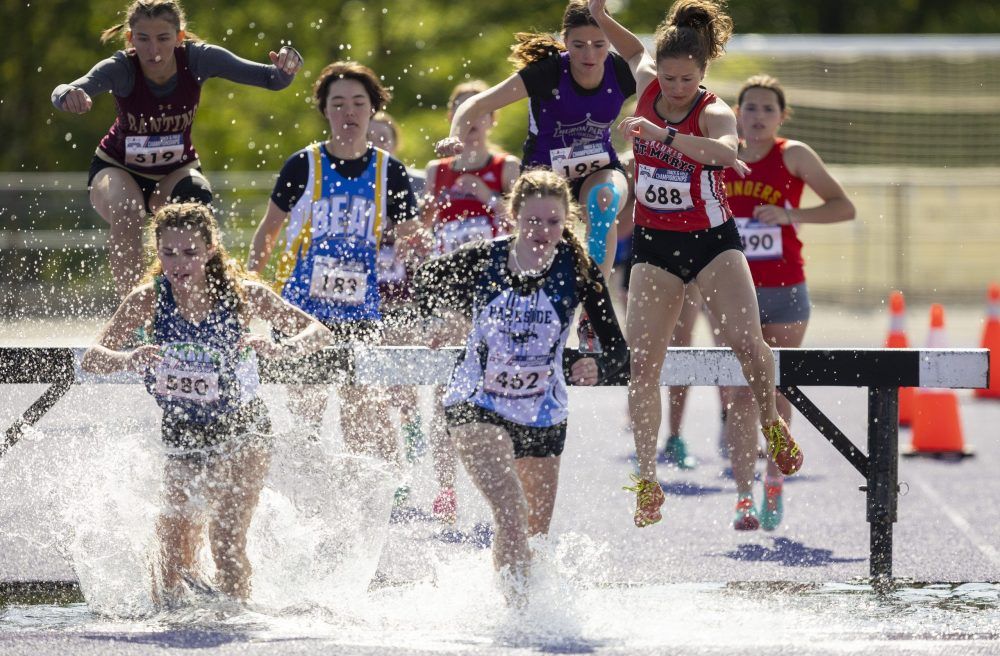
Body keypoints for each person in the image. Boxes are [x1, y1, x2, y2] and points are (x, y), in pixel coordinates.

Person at [589, 0, 804, 529]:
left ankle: (772, 427)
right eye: (668, 77)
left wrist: (660, 135)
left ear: (703, 73)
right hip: (655, 245)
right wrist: (599, 15)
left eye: (687, 78)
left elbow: (725, 152)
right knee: (644, 365)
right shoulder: (649, 82)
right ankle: (646, 480)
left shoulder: (713, 109)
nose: (676, 87)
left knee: (747, 343)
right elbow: (632, 47)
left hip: (712, 242)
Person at [81, 202, 331, 604]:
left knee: (226, 539)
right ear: (157, 252)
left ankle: (238, 621)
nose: (179, 265)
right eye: (169, 253)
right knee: (170, 555)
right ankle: (171, 628)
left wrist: (281, 350)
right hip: (183, 430)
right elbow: (93, 356)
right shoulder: (148, 299)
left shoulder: (241, 294)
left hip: (242, 428)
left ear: (212, 249)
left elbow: (318, 332)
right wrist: (127, 358)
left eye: (190, 253)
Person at [411, 168, 628, 603]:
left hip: (542, 411)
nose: (542, 231)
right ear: (513, 216)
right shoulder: (483, 258)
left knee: (536, 534)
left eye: (552, 222)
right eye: (533, 221)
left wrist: (592, 368)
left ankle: (522, 608)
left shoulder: (579, 267)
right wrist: (452, 317)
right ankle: (514, 624)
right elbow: (422, 285)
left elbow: (619, 357)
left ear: (566, 220)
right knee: (511, 514)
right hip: (476, 404)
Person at [51, 0, 303, 298]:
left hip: (175, 171)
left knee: (198, 210)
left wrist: (287, 66)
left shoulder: (199, 59)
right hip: (118, 169)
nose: (153, 50)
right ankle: (133, 313)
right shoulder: (121, 68)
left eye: (163, 39)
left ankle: (205, 302)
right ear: (131, 39)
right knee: (128, 209)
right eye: (143, 39)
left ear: (180, 37)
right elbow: (65, 90)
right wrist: (69, 95)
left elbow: (271, 79)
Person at [246, 61, 419, 470]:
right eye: (338, 103)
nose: (349, 112)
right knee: (307, 416)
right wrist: (250, 293)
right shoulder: (302, 165)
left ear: (372, 109)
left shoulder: (389, 171)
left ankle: (360, 509)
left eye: (359, 102)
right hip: (301, 311)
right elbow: (267, 233)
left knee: (360, 414)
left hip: (359, 313)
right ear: (324, 110)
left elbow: (415, 243)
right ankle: (308, 504)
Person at [724, 74, 855, 530]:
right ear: (736, 113)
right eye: (750, 107)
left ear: (781, 117)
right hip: (730, 292)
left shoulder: (793, 155)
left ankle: (773, 479)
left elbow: (844, 206)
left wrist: (790, 214)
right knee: (739, 393)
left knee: (778, 389)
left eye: (767, 109)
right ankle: (742, 495)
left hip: (785, 290)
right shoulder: (720, 153)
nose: (757, 116)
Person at [434, 0, 634, 291]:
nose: (589, 54)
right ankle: (530, 293)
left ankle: (595, 302)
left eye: (598, 45)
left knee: (603, 200)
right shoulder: (549, 71)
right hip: (544, 173)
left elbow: (670, 89)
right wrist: (455, 135)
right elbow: (478, 103)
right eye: (578, 45)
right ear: (565, 42)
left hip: (599, 168)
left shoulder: (621, 70)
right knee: (542, 239)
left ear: (610, 42)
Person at [421, 80, 520, 522]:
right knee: (447, 394)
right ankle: (446, 487)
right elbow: (423, 229)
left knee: (500, 393)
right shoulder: (436, 170)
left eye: (480, 115)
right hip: (450, 294)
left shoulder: (505, 166)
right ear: (451, 122)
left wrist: (489, 199)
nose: (473, 124)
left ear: (492, 118)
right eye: (463, 114)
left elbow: (524, 225)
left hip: (496, 297)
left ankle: (507, 486)